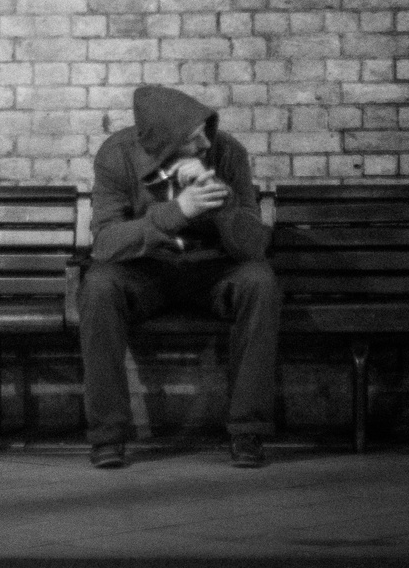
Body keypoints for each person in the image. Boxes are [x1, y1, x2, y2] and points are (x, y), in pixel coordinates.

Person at [79, 85, 280, 469]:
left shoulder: (228, 152)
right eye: (192, 138)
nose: (205, 143)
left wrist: (219, 199)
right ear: (165, 144)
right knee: (98, 286)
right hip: (146, 271)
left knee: (260, 281)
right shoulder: (117, 155)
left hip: (211, 270)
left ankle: (248, 431)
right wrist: (179, 211)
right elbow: (104, 244)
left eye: (206, 131)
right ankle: (108, 435)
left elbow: (254, 246)